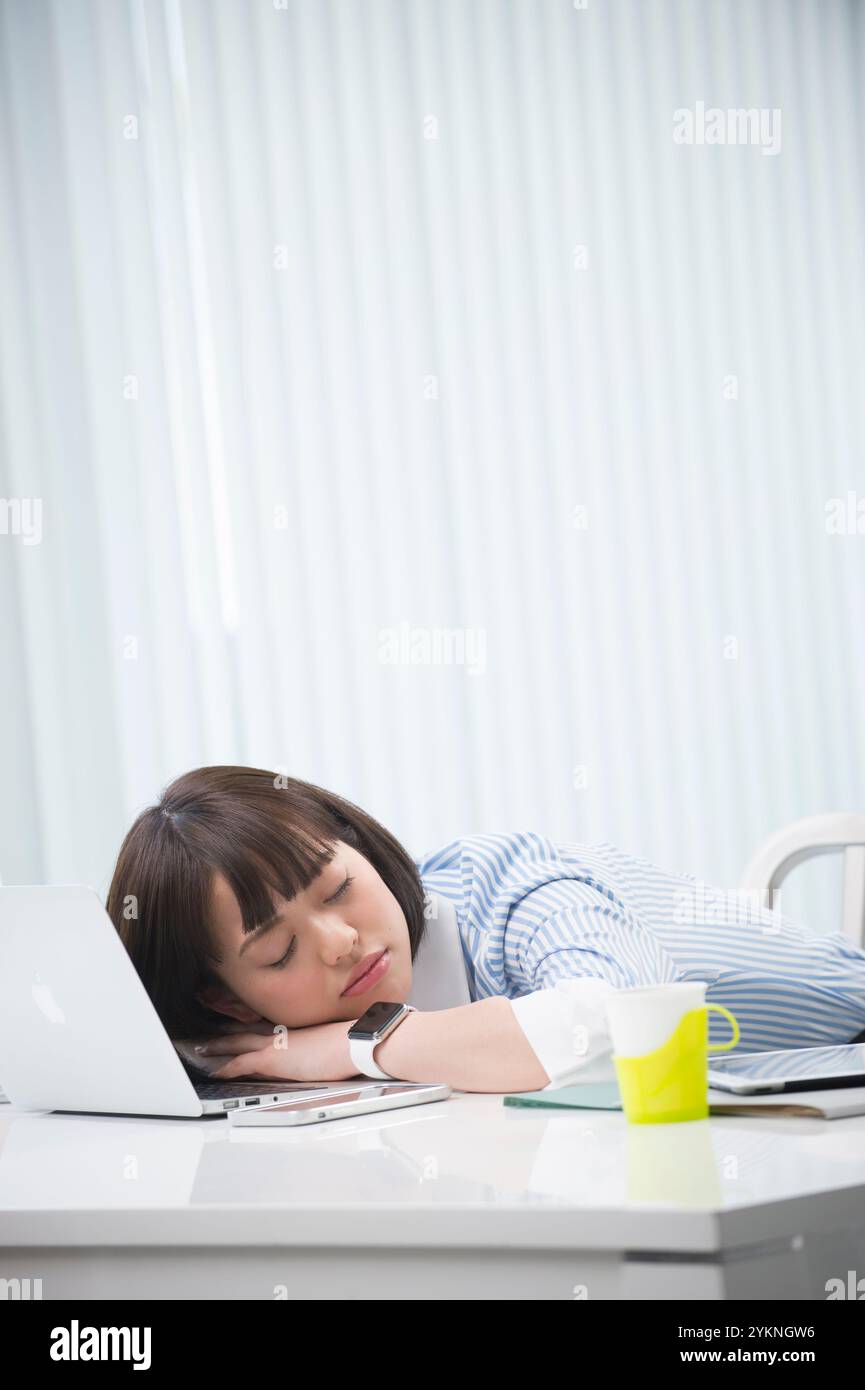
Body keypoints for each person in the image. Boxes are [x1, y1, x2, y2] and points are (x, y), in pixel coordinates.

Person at [105, 764, 865, 1094]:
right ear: (232, 1003)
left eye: (338, 886)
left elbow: (627, 1029)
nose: (339, 940)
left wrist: (348, 1046)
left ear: (361, 847)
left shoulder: (513, 887)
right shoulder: (249, 1043)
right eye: (279, 953)